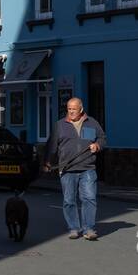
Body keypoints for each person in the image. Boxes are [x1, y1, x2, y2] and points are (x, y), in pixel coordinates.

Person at [44, 97, 106, 240]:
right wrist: (47, 161)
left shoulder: (92, 123)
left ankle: (89, 229)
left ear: (81, 109)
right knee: (69, 200)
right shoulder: (60, 125)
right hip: (67, 169)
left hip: (87, 167)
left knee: (89, 198)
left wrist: (97, 145)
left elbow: (102, 138)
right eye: (69, 109)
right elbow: (51, 145)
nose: (71, 112)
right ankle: (73, 228)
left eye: (74, 109)